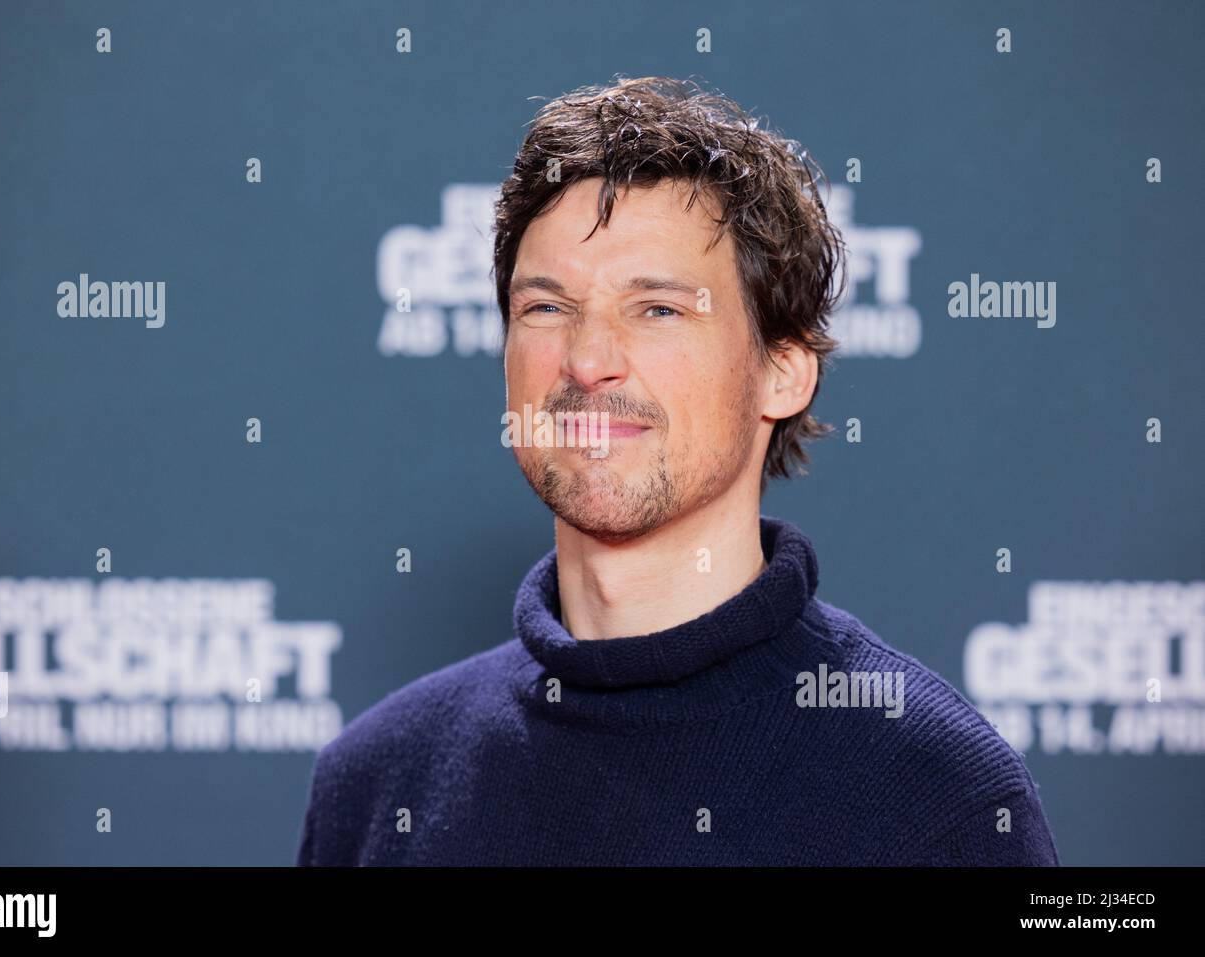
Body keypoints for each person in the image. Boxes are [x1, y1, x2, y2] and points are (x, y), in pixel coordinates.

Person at [296, 76, 1060, 866]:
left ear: (784, 371)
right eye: (547, 309)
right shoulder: (377, 783)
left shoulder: (935, 797)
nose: (589, 360)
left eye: (658, 309)